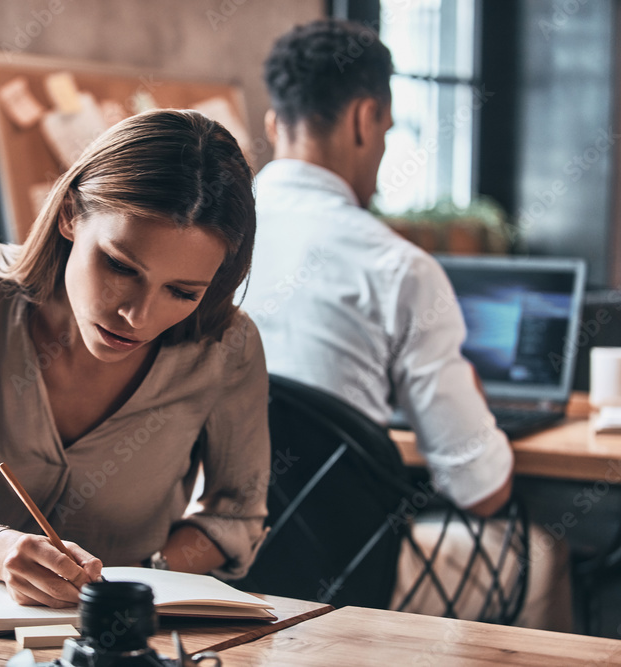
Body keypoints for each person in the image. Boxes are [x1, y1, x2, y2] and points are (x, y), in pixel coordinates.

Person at [242, 19, 570, 630]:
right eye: (388, 131)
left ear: (271, 124)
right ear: (367, 119)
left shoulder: (208, 245)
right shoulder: (398, 268)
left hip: (214, 570)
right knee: (543, 554)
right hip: (350, 579)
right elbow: (481, 489)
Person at [0, 109, 270, 608]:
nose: (137, 316)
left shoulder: (230, 346)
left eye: (181, 292)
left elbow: (236, 518)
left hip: (129, 636)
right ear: (71, 214)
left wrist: (139, 580)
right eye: (120, 266)